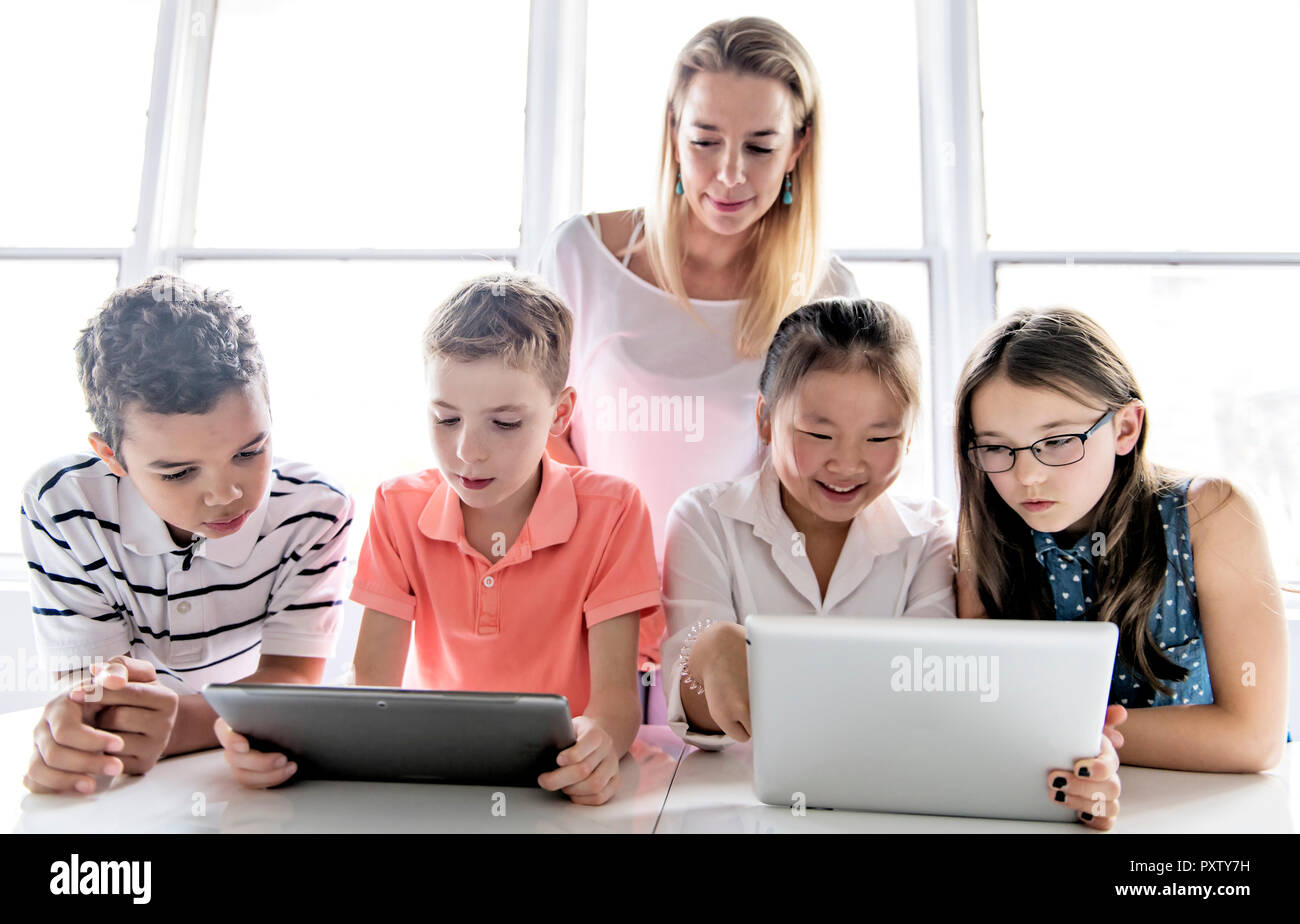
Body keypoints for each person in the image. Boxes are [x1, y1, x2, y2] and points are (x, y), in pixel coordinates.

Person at [216, 274, 663, 805]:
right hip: (432, 785)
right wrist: (276, 745)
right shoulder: (397, 507)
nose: (467, 451)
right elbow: (372, 687)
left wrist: (600, 745)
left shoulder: (613, 511)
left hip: (557, 789)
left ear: (560, 414)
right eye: (445, 418)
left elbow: (616, 698)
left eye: (504, 422)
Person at [536, 17, 859, 683]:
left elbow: (814, 479)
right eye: (706, 141)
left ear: (799, 146)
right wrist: (616, 584)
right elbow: (540, 434)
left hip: (740, 614)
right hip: (588, 597)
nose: (729, 175)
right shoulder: (582, 255)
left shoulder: (826, 293)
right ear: (672, 135)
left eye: (760, 147)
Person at [21, 274, 352, 795]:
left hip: (237, 768)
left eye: (249, 452)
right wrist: (88, 722)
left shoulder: (316, 510)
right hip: (143, 779)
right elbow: (94, 696)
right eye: (177, 473)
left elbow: (291, 677)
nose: (225, 495)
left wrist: (169, 726)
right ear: (112, 456)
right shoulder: (63, 504)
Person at [954, 307, 1288, 814]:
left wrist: (1082, 738)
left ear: (1126, 428)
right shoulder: (985, 533)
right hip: (1052, 805)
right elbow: (982, 719)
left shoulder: (1210, 514)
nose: (1026, 477)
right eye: (998, 448)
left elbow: (1253, 738)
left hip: (1211, 811)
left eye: (1059, 441)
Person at [662, 297, 953, 749]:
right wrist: (708, 657)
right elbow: (696, 719)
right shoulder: (705, 520)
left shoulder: (929, 534)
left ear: (910, 437)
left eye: (880, 438)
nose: (847, 463)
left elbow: (926, 697)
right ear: (764, 420)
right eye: (818, 434)